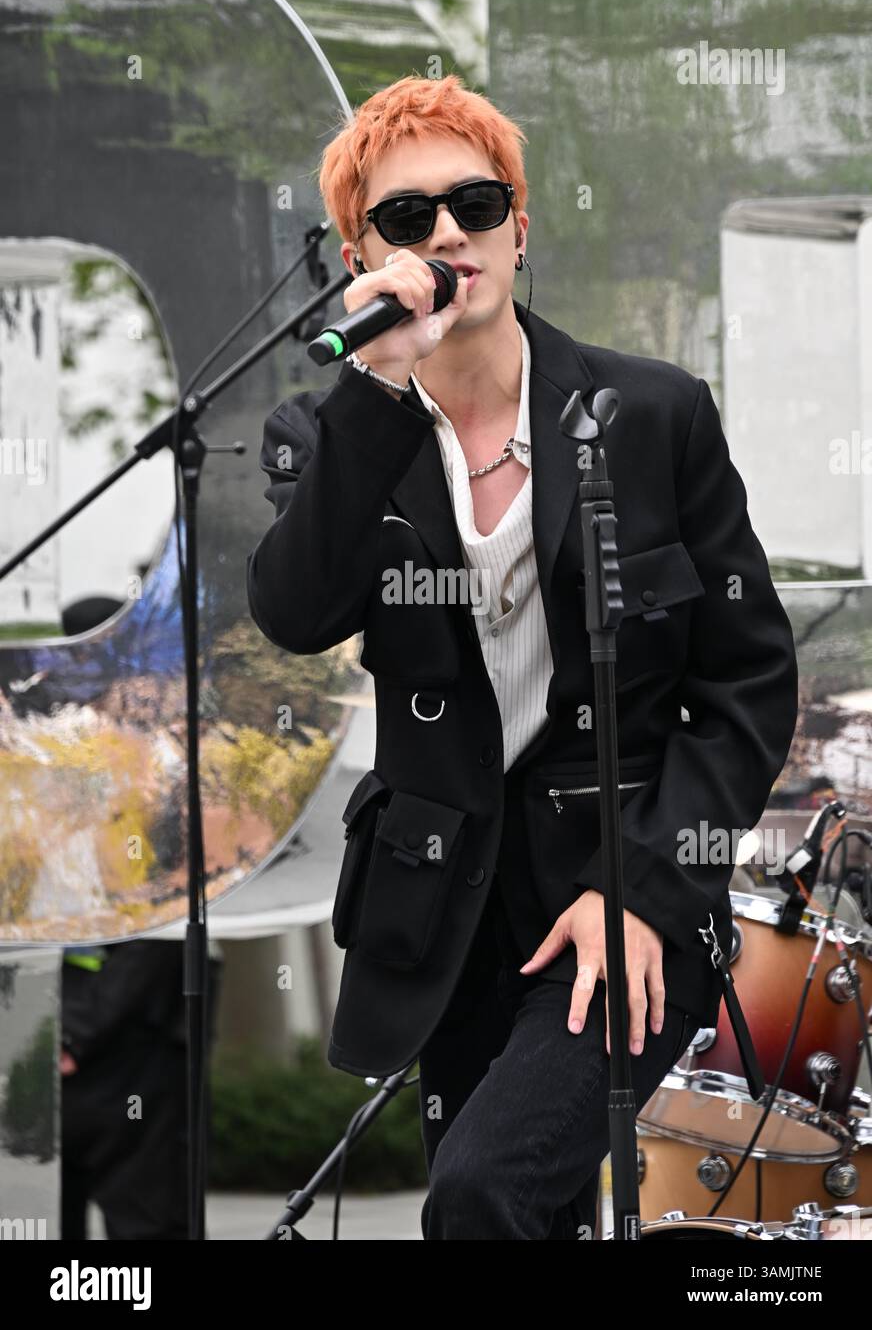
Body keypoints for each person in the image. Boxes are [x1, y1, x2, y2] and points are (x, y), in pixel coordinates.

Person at [246, 74, 799, 1239]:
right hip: (440, 915)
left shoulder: (649, 416)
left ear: (519, 226)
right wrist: (379, 382)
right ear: (364, 253)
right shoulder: (335, 432)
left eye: (476, 203)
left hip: (623, 902)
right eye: (406, 218)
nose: (447, 233)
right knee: (505, 1217)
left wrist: (640, 891)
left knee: (481, 1191)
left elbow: (745, 679)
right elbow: (297, 610)